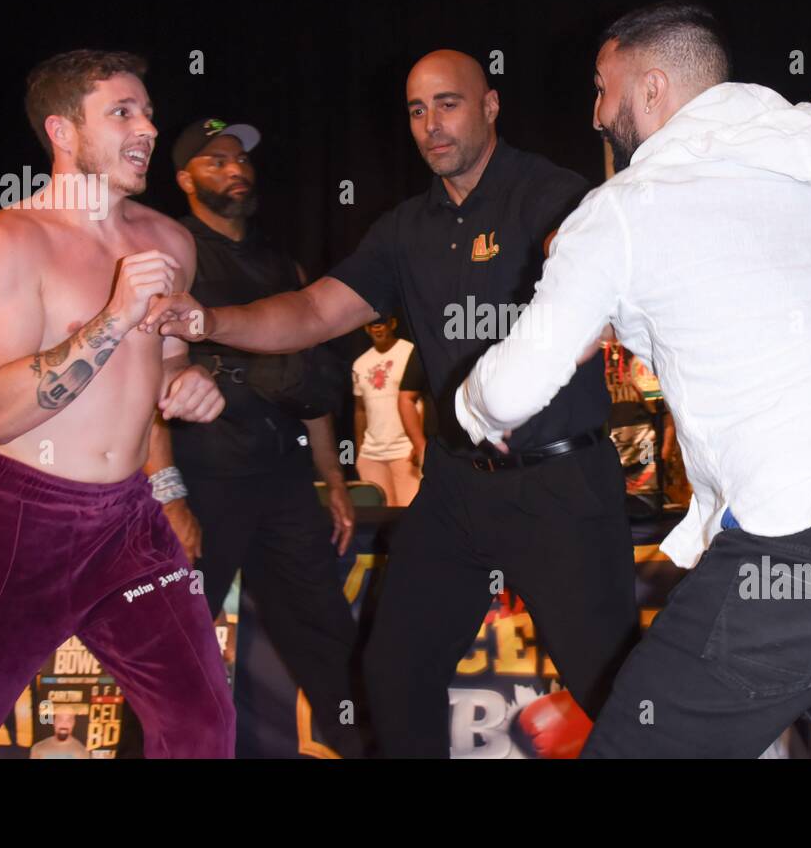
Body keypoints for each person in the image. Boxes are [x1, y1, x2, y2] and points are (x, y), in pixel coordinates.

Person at [455, 0, 811, 758]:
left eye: (602, 89)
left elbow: (512, 389)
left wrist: (469, 405)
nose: (595, 114)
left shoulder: (622, 210)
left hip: (809, 553)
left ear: (650, 89)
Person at [145, 49, 640, 757]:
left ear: (490, 105)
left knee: (614, 688)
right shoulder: (405, 228)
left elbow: (606, 278)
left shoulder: (549, 194)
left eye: (448, 103)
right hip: (456, 489)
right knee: (393, 669)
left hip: (560, 487)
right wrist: (208, 322)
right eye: (416, 109)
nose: (431, 125)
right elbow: (315, 310)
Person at [0, 50, 233, 759]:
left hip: (128, 524)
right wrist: (112, 315)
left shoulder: (169, 241)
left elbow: (166, 360)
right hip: (11, 520)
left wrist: (188, 383)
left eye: (149, 111)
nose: (150, 129)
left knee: (201, 725)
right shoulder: (5, 242)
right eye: (123, 112)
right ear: (63, 133)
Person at [140, 116, 363, 757]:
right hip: (204, 481)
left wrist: (333, 478)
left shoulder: (279, 259)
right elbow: (151, 379)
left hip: (285, 482)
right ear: (184, 178)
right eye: (215, 161)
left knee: (326, 637)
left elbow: (310, 377)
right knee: (174, 647)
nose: (234, 169)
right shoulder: (171, 253)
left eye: (239, 159)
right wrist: (168, 494)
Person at [353, 317, 420, 505]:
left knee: (410, 512)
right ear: (366, 328)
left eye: (382, 323)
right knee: (379, 517)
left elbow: (420, 400)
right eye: (372, 325)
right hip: (372, 455)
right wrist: (359, 450)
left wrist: (419, 443)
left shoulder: (409, 352)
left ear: (393, 323)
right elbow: (360, 410)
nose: (377, 328)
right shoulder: (360, 363)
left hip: (405, 451)